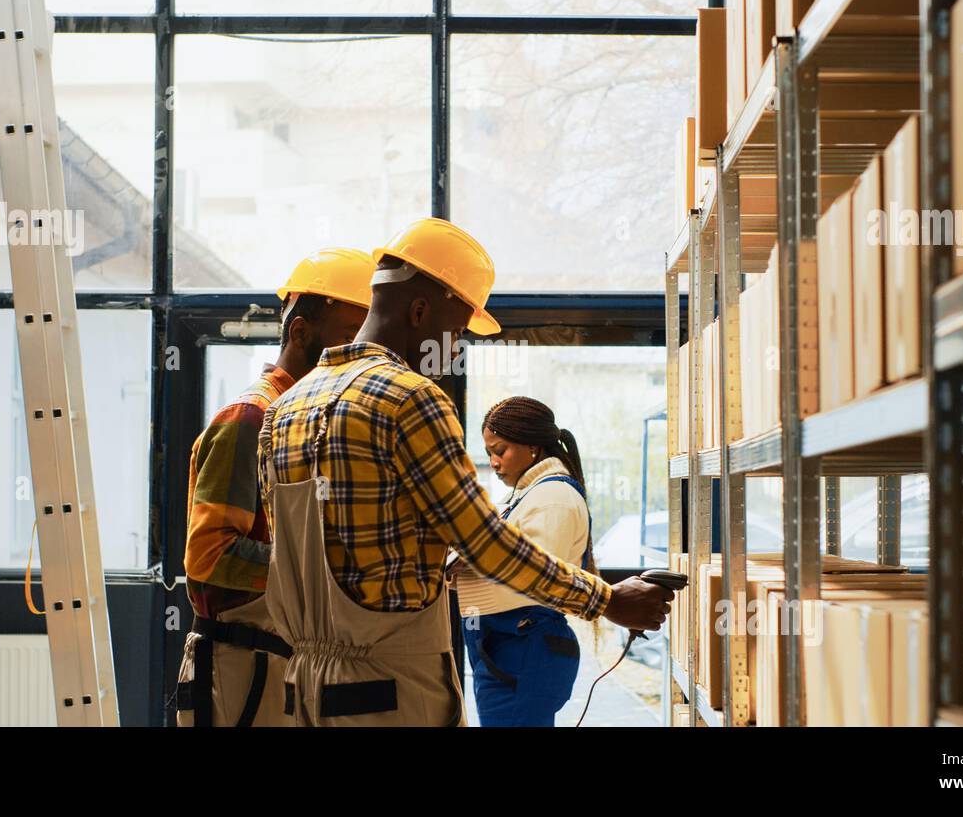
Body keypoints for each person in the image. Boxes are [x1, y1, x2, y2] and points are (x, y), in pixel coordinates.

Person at [256, 218, 672, 727]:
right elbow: (486, 544)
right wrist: (607, 599)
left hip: (302, 689)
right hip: (390, 687)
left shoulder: (284, 408)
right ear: (420, 310)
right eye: (454, 332)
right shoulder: (409, 398)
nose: (453, 348)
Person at [174, 248, 374, 727]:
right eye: (346, 339)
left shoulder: (299, 423)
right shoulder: (250, 419)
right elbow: (209, 555)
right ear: (300, 332)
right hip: (240, 666)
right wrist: (320, 566)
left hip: (279, 661)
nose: (353, 358)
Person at [454, 396, 594, 726]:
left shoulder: (552, 499)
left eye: (500, 450)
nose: (494, 462)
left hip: (523, 650)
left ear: (532, 446)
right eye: (489, 452)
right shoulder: (528, 494)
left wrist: (472, 562)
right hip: (508, 650)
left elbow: (538, 579)